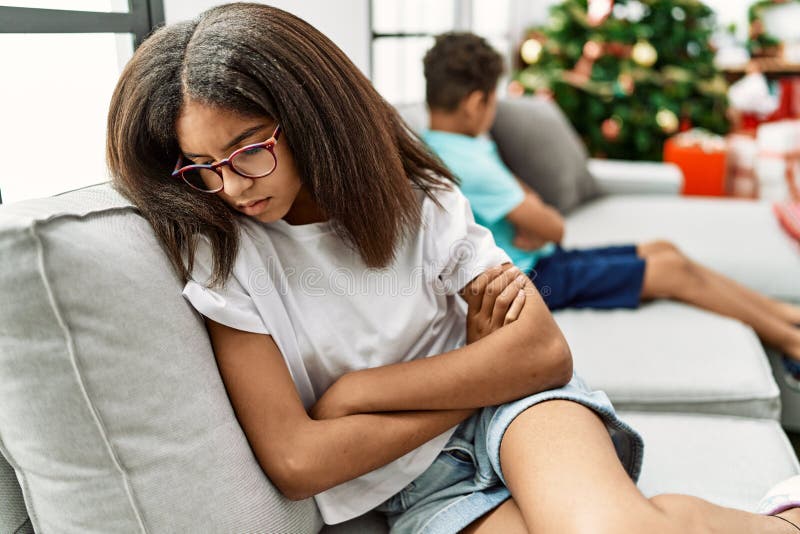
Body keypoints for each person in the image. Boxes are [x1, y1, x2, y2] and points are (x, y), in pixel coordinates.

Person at [105, 4, 800, 533]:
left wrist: (353, 394)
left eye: (248, 149)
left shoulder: (420, 200)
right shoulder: (224, 256)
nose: (231, 186)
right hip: (415, 486)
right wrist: (475, 361)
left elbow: (542, 354)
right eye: (202, 168)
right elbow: (297, 461)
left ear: (308, 118)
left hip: (520, 412)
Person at [421, 31, 800, 373]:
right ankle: (791, 341)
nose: (493, 114)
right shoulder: (467, 161)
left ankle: (784, 314)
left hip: (538, 264)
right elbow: (553, 226)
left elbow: (531, 210)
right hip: (533, 282)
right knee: (670, 271)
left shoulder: (443, 145)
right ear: (474, 103)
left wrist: (532, 214)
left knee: (665, 251)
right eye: (492, 104)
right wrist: (535, 216)